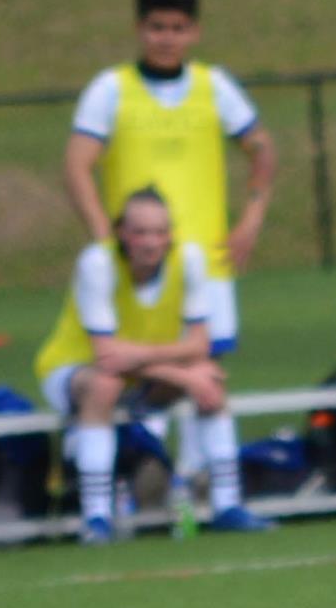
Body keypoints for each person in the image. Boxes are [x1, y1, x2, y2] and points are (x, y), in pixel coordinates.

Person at [61, 0, 279, 477]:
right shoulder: (111, 89)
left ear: (195, 32)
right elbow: (77, 164)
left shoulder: (213, 85)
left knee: (205, 375)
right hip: (139, 268)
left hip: (205, 262)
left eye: (178, 28)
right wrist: (103, 237)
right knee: (139, 375)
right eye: (157, 27)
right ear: (139, 28)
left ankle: (197, 485)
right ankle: (143, 476)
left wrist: (251, 217)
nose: (167, 38)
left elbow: (261, 148)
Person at [32, 188, 273, 543]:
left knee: (210, 378)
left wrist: (170, 367)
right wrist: (181, 373)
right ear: (122, 234)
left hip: (137, 373)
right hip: (72, 368)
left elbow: (199, 343)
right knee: (106, 384)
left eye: (160, 232)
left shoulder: (189, 259)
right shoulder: (97, 264)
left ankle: (228, 504)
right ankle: (96, 517)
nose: (151, 242)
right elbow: (106, 356)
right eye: (141, 232)